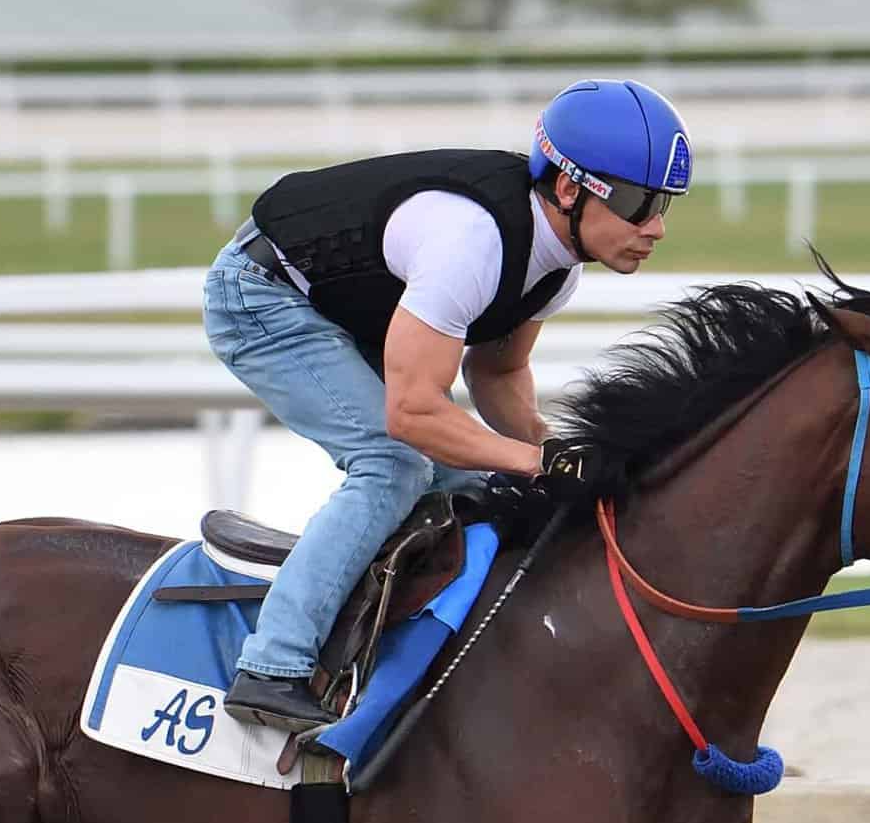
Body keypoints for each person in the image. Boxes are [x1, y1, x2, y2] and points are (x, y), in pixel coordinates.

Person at [202, 77, 692, 732]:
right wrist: (535, 462)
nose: (656, 226)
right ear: (569, 189)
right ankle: (272, 666)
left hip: (343, 308)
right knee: (394, 463)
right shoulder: (473, 241)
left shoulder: (559, 267)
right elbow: (411, 414)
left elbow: (498, 371)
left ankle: (406, 655)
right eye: (637, 202)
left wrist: (553, 449)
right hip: (262, 294)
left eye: (664, 203)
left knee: (475, 486)